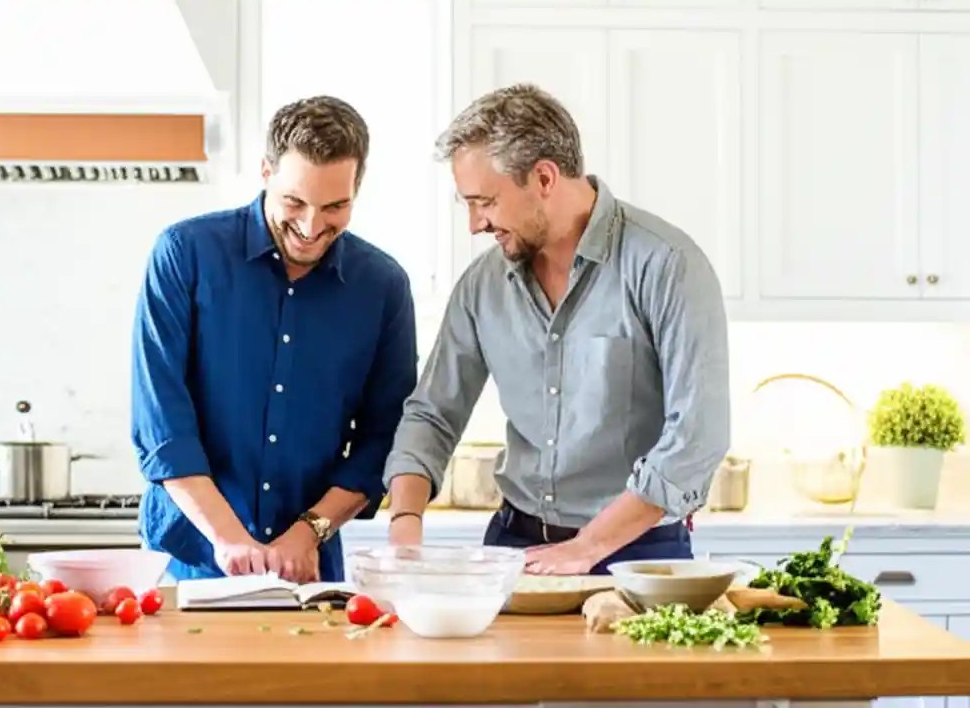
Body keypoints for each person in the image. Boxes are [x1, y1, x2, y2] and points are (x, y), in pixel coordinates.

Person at [382, 83, 730, 575]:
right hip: (514, 545)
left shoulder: (667, 265)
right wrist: (404, 526)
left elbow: (697, 439)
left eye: (485, 202)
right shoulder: (483, 285)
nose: (475, 224)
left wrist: (587, 548)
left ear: (544, 177)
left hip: (637, 553)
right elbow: (433, 413)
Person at [131, 95, 418, 584]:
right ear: (266, 171)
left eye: (335, 206)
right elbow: (162, 427)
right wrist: (228, 538)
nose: (311, 227)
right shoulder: (185, 255)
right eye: (294, 201)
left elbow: (382, 439)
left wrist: (308, 532)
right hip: (192, 560)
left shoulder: (383, 286)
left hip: (308, 566)